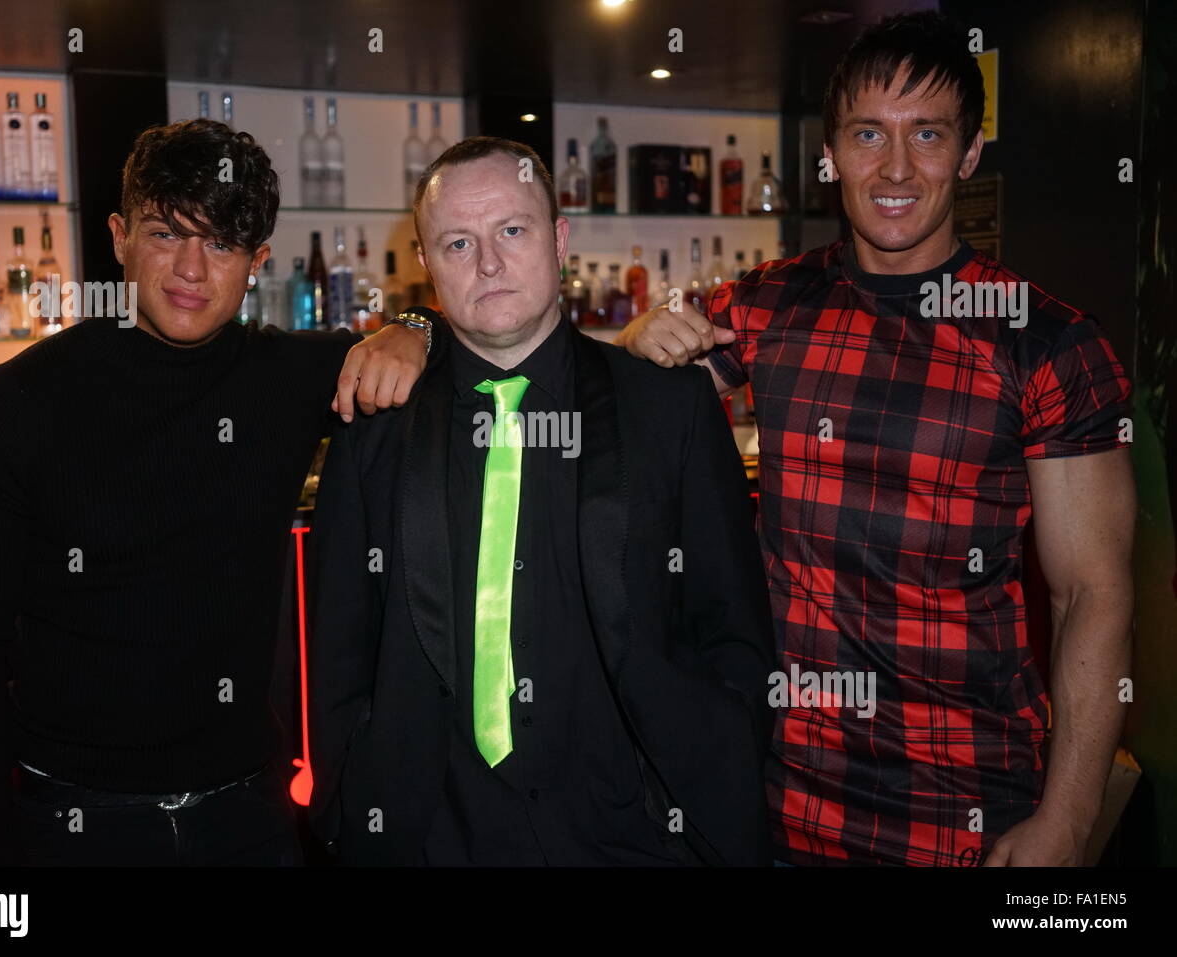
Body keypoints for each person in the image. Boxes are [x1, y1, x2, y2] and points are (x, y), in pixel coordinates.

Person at [617, 12, 1135, 866]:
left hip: (969, 811)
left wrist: (1068, 820)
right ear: (830, 154)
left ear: (968, 156)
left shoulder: (1046, 342)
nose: (895, 168)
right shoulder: (769, 304)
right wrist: (641, 339)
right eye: (868, 134)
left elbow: (1094, 597)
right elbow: (625, 399)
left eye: (927, 135)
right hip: (775, 796)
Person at [0, 119, 433, 865]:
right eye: (167, 232)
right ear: (121, 236)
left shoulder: (291, 379)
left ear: (257, 261)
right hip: (69, 826)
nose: (192, 267)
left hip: (249, 820)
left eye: (221, 243)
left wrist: (416, 327)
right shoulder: (9, 408)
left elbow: (478, 347)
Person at [307, 136, 776, 865]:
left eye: (512, 230)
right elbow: (339, 648)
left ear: (559, 239)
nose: (488, 262)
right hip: (429, 838)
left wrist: (710, 794)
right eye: (458, 242)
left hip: (638, 837)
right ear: (427, 264)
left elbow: (734, 627)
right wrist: (348, 806)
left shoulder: (667, 406)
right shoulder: (375, 422)